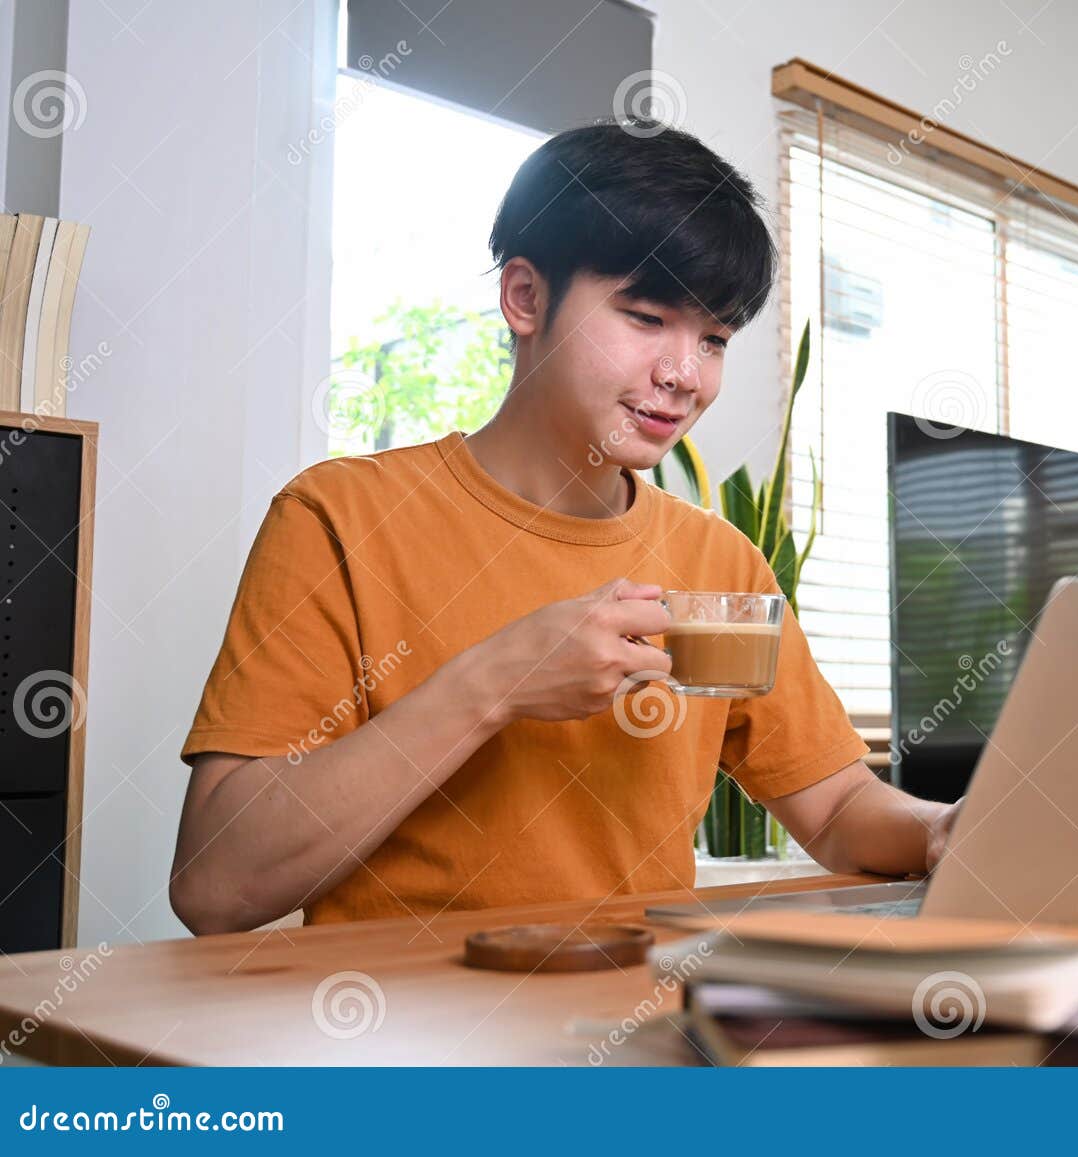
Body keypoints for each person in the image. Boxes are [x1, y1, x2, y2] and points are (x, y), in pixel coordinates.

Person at [169, 119, 959, 934]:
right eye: (647, 317)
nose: (684, 375)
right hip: (396, 1036)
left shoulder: (719, 561)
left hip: (640, 1034)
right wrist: (496, 683)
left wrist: (940, 828)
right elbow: (216, 885)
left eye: (714, 338)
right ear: (524, 298)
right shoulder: (339, 517)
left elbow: (834, 808)